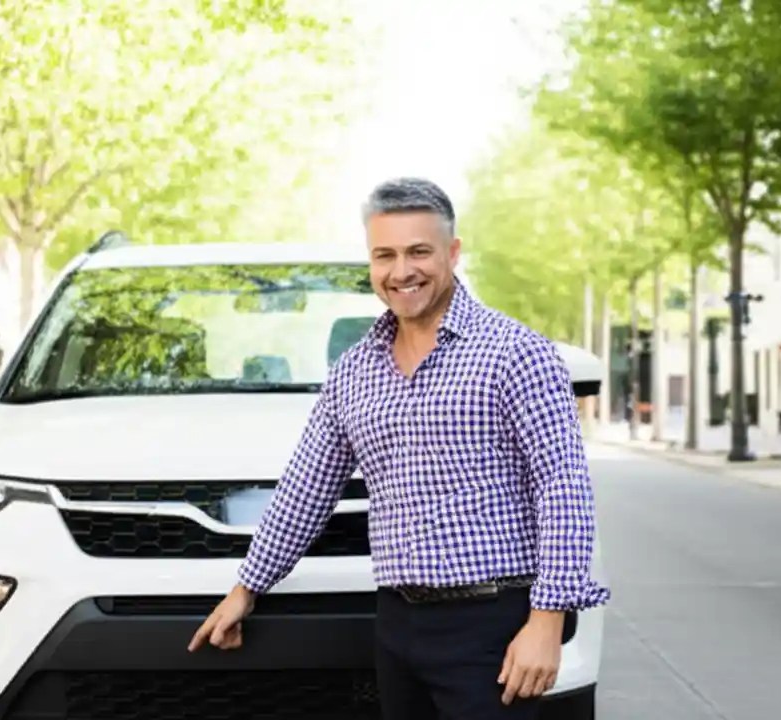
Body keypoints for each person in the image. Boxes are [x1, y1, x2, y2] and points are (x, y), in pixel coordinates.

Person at [187, 177, 610, 718]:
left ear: (452, 253)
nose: (401, 271)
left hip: (495, 622)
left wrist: (546, 620)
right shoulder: (356, 369)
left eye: (419, 252)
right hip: (398, 624)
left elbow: (563, 486)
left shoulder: (516, 354)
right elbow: (307, 488)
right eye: (384, 254)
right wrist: (247, 587)